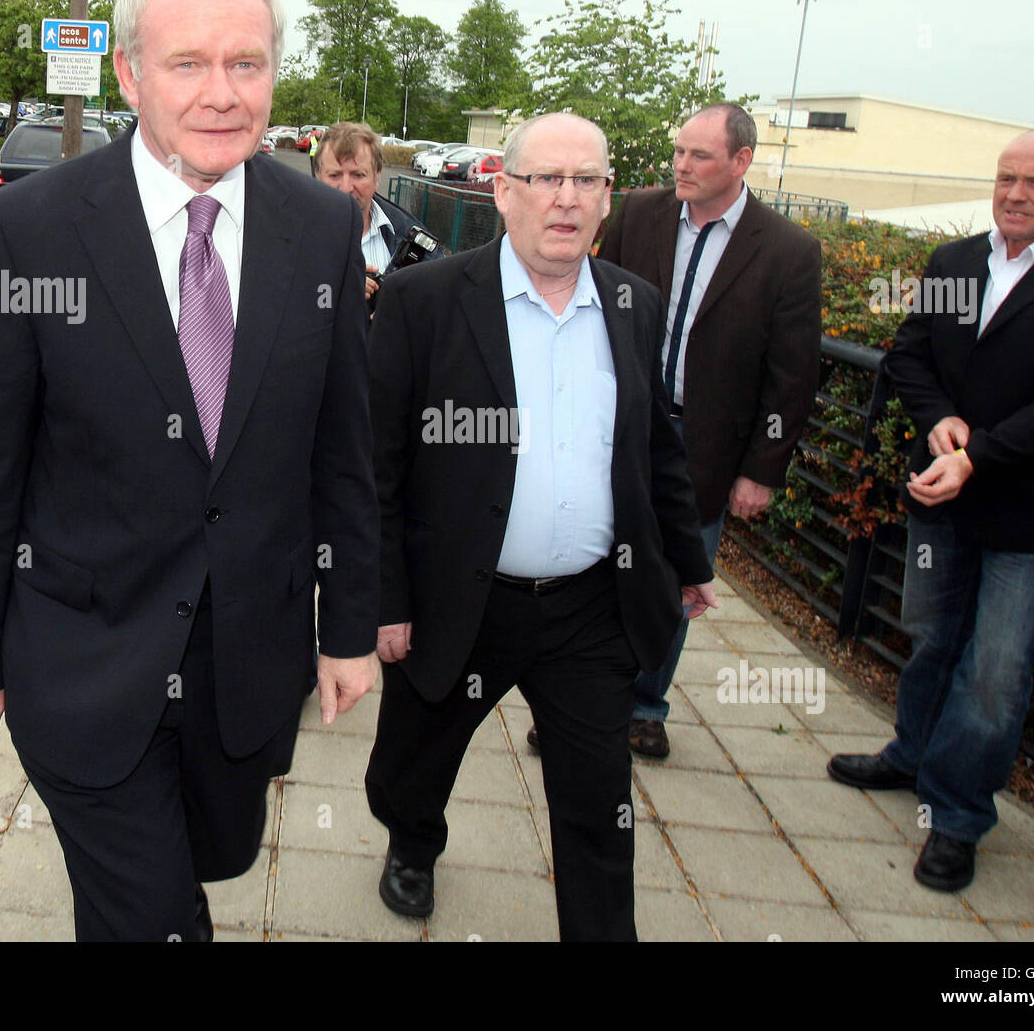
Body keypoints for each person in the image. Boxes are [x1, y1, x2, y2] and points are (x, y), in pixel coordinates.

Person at [0, 0, 380, 941]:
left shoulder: (319, 227)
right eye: (188, 64)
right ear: (130, 74)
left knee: (199, 870)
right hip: (82, 664)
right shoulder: (32, 229)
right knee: (150, 915)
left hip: (245, 674)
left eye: (248, 64)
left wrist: (349, 622)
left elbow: (342, 448)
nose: (223, 94)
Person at [365, 112, 717, 941]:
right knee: (409, 771)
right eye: (545, 179)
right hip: (458, 600)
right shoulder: (425, 301)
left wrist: (686, 556)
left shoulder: (635, 305)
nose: (566, 199)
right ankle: (413, 841)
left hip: (590, 612)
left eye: (586, 180)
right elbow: (374, 465)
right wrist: (383, 595)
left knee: (598, 808)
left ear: (607, 200)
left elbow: (656, 444)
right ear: (502, 191)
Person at [827, 128, 1034, 891]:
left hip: (1032, 514)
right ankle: (912, 755)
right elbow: (909, 356)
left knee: (996, 671)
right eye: (1005, 178)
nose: (1015, 194)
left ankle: (957, 818)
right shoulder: (955, 262)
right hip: (941, 500)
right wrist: (937, 424)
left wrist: (976, 456)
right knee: (932, 640)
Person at [540, 101, 820, 760]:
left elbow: (792, 373)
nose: (682, 166)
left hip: (704, 447)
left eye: (700, 156)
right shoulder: (638, 214)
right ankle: (579, 702)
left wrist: (761, 469)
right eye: (679, 152)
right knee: (590, 566)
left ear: (741, 161)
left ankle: (643, 704)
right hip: (614, 422)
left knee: (670, 583)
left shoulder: (787, 251)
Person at [312, 121, 442, 307]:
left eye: (358, 175)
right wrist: (333, 290)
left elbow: (438, 312)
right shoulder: (287, 238)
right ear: (317, 175)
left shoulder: (417, 244)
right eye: (335, 175)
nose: (346, 188)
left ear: (377, 176)